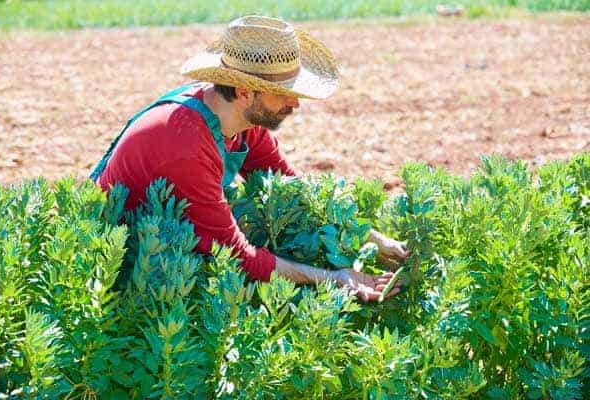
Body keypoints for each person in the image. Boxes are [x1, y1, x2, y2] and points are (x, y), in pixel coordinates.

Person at [91, 15, 409, 302]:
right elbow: (236, 256)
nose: (294, 103)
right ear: (245, 92)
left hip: (169, 232)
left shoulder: (237, 118)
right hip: (125, 263)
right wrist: (333, 278)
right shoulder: (184, 143)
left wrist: (373, 238)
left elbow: (290, 186)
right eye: (283, 92)